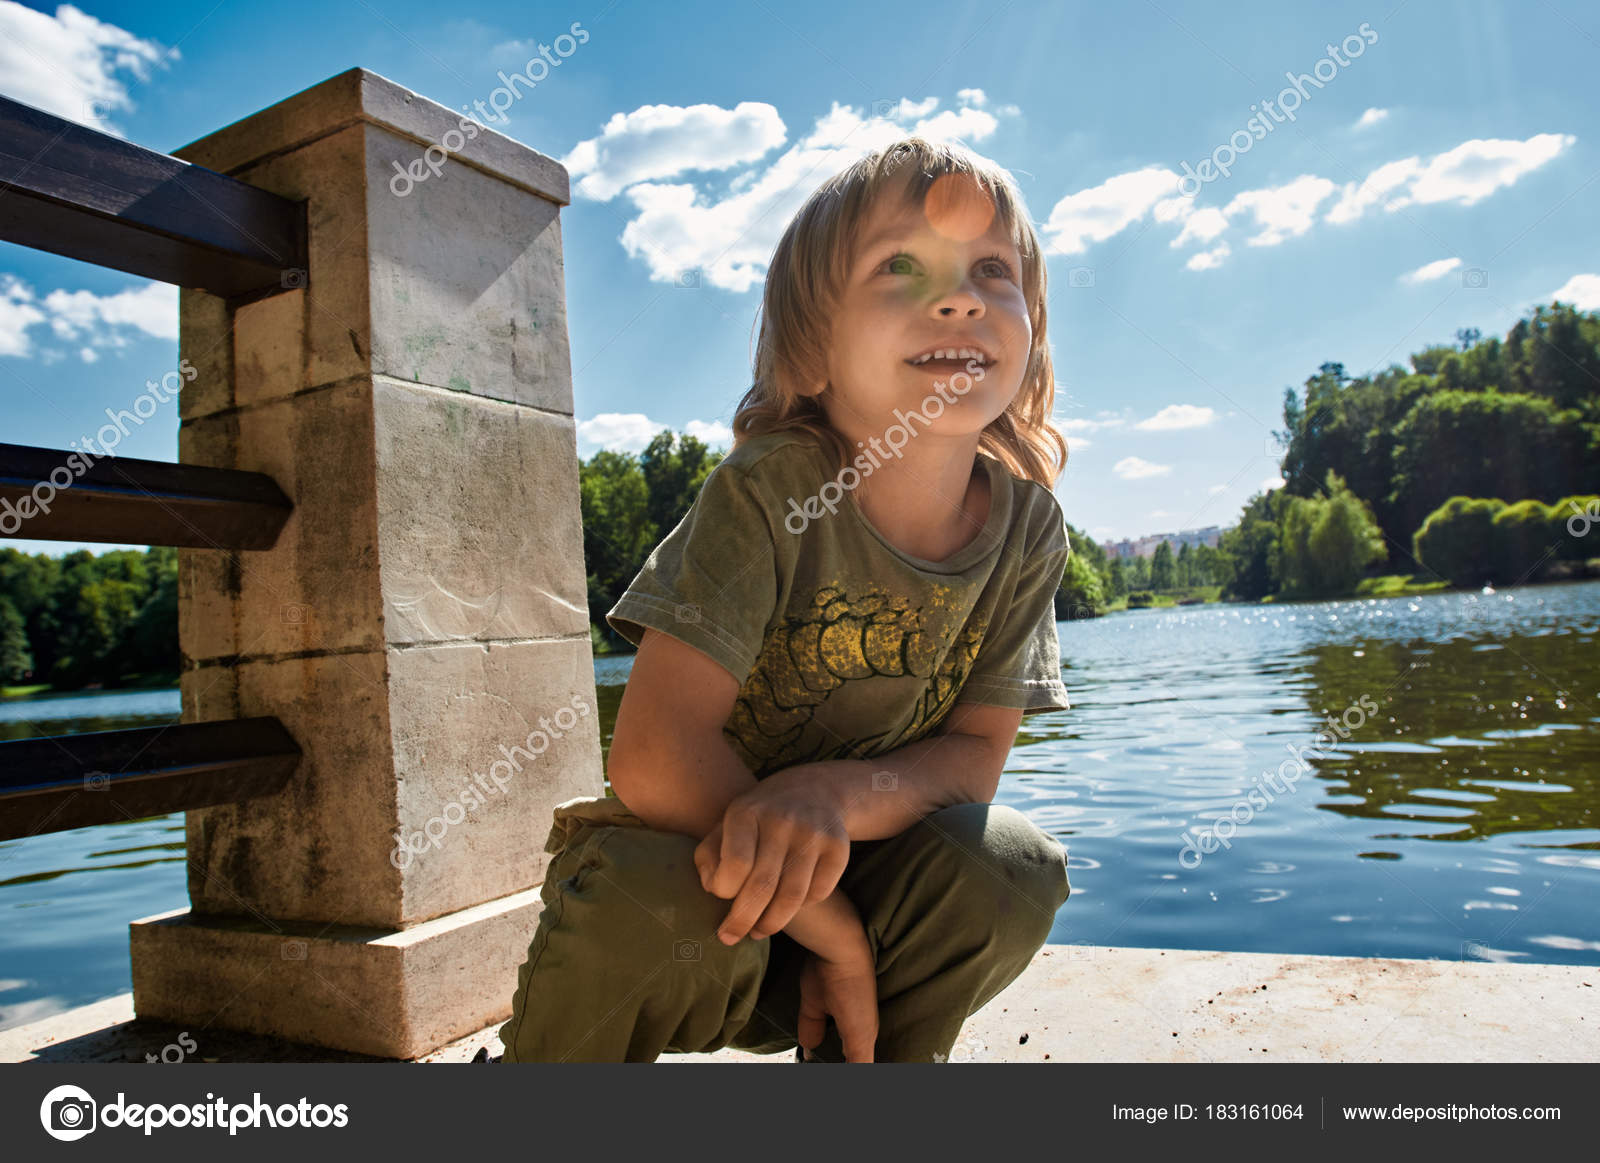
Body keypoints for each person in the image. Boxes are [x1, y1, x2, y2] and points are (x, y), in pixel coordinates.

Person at [495, 136, 1074, 1064]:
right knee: (655, 896)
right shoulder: (772, 491)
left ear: (1031, 324)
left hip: (860, 886)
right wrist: (834, 931)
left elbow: (973, 761)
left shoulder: (1028, 530)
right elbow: (654, 757)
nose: (959, 296)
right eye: (899, 265)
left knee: (1008, 866)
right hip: (701, 915)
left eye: (993, 270)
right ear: (812, 345)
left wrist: (829, 796)